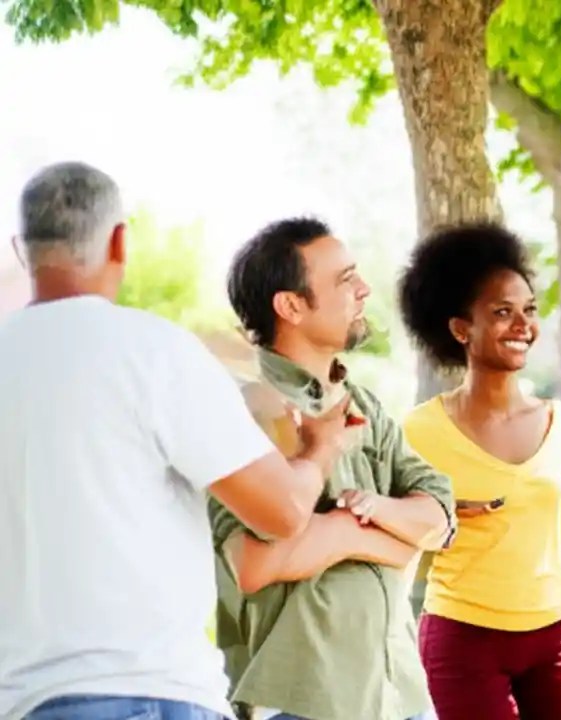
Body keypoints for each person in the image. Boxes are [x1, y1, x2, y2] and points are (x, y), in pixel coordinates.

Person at [0, 163, 349, 720]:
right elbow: (281, 510)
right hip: (151, 691)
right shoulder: (155, 351)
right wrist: (320, 451)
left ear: (23, 249)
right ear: (119, 241)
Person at [209, 218, 456, 720]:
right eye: (345, 279)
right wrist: (367, 532)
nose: (364, 290)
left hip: (401, 692)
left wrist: (361, 520)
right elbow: (253, 565)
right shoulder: (245, 413)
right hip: (308, 701)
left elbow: (440, 516)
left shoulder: (364, 404)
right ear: (291, 305)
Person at [398, 223, 561, 720]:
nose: (522, 324)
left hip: (553, 641)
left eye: (528, 310)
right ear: (461, 329)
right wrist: (436, 520)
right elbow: (389, 540)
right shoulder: (418, 431)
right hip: (462, 641)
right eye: (502, 312)